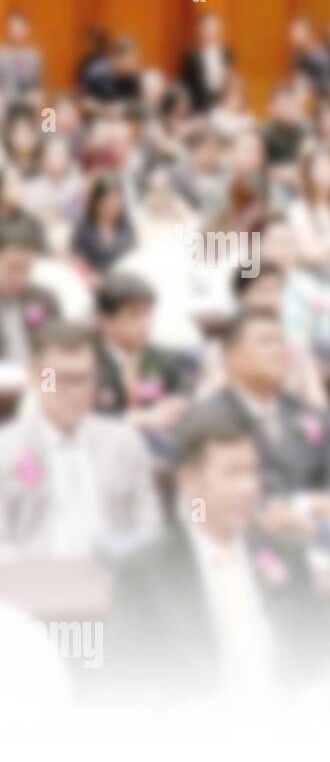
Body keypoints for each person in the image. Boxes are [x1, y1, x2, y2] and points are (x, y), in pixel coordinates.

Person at [109, 413, 328, 692]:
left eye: (253, 472)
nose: (249, 487)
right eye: (233, 473)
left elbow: (318, 657)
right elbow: (124, 684)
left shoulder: (287, 556)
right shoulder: (146, 572)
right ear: (189, 480)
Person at [0, 322, 161, 559]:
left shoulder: (124, 443)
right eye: (64, 379)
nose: (76, 392)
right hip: (33, 579)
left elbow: (148, 527)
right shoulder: (7, 449)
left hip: (115, 578)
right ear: (37, 378)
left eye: (85, 379)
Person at [183, 309, 330, 530]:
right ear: (230, 357)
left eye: (282, 342)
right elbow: (196, 504)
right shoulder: (203, 419)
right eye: (265, 342)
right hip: (241, 542)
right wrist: (259, 517)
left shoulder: (310, 415)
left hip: (319, 536)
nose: (279, 350)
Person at [93, 272, 187, 428]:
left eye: (148, 315)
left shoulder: (163, 359)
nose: (145, 324)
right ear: (105, 320)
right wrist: (135, 419)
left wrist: (177, 407)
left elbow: (176, 398)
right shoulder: (85, 360)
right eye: (134, 316)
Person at [0, 221, 59, 364]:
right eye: (12, 268)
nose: (18, 277)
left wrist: (47, 385)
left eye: (25, 270)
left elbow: (55, 350)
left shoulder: (43, 299)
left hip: (40, 378)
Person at [71, 174, 134, 276]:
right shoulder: (83, 227)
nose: (113, 207)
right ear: (96, 203)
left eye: (117, 202)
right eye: (108, 202)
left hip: (124, 281)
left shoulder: (126, 225)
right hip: (95, 282)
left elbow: (133, 256)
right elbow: (78, 262)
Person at [179, 13, 233, 114]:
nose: (211, 32)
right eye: (208, 28)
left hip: (223, 106)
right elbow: (185, 86)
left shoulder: (226, 52)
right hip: (199, 108)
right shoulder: (190, 56)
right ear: (201, 30)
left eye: (214, 28)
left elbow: (229, 79)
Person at [0, 10, 41, 101]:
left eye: (20, 27)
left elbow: (37, 84)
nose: (16, 31)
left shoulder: (34, 56)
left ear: (27, 29)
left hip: (27, 102)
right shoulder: (1, 54)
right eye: (13, 27)